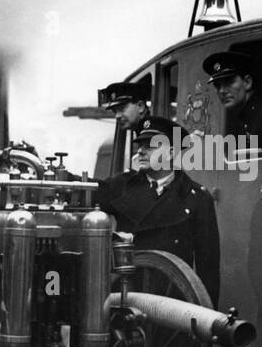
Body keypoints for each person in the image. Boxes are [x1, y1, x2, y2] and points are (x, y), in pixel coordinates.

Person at [94, 116, 220, 305]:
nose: (141, 151)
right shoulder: (122, 186)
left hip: (172, 308)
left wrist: (207, 321)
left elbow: (208, 269)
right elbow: (85, 190)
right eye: (140, 145)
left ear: (170, 153)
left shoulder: (198, 198)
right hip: (125, 300)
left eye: (150, 146)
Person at [203, 51, 262, 150]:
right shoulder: (249, 115)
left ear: (247, 82)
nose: (222, 91)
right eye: (217, 85)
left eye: (229, 82)